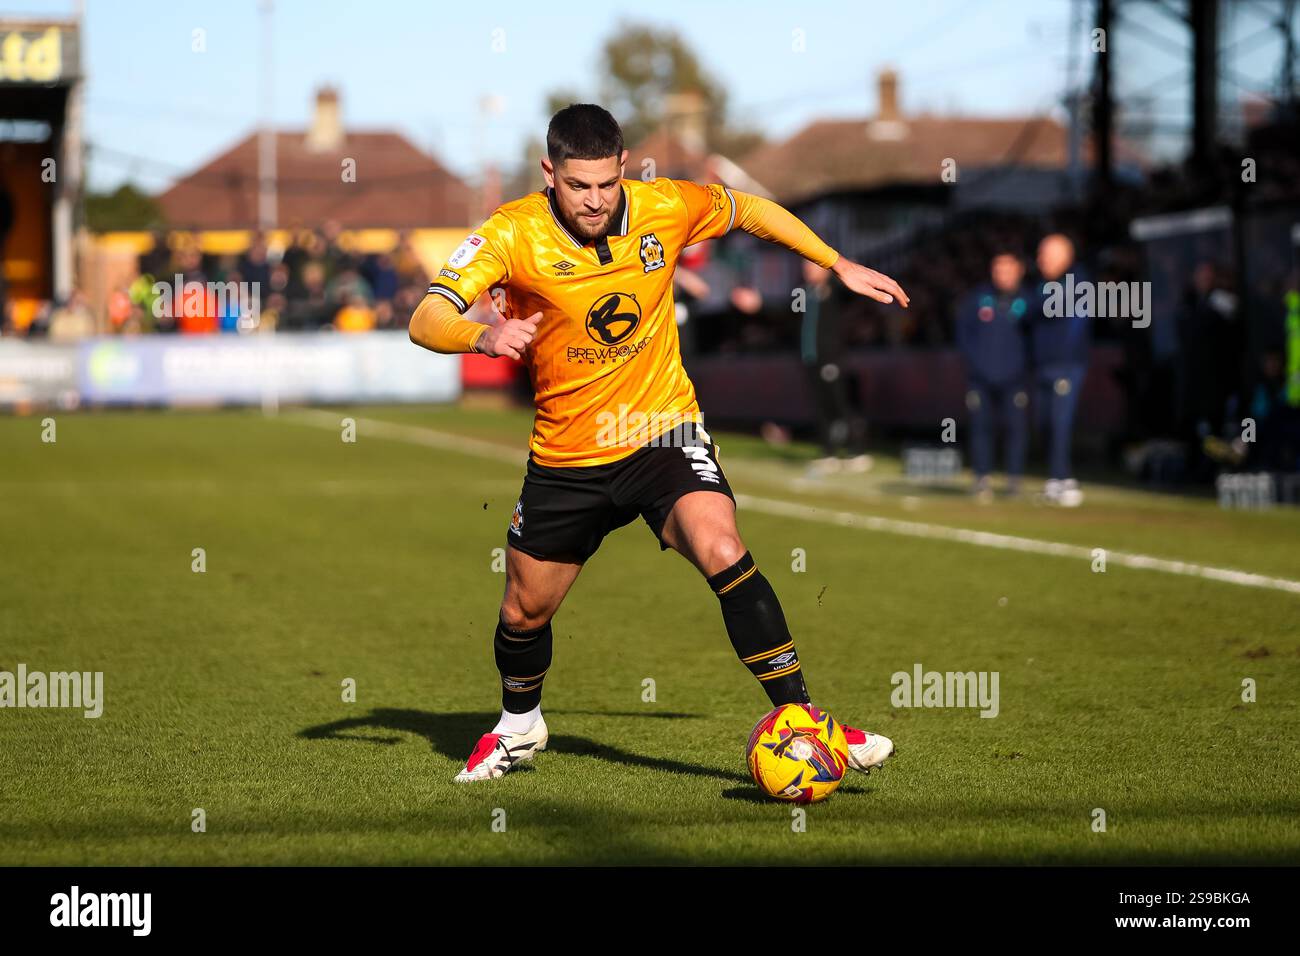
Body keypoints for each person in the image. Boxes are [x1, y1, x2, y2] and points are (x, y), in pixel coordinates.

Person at [409, 104, 909, 783]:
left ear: (623, 171)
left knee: (723, 548)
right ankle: (520, 726)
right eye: (578, 185)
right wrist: (483, 335)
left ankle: (806, 720)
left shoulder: (665, 205)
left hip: (662, 431)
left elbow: (751, 211)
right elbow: (427, 314)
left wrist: (836, 261)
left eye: (606, 184)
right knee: (524, 610)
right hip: (569, 456)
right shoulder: (511, 233)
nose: (594, 200)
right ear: (549, 172)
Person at [956, 250, 1032, 501]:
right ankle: (981, 478)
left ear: (1018, 270)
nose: (1002, 275)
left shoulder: (1029, 301)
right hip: (981, 378)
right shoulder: (978, 298)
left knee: (1015, 429)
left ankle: (1014, 480)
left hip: (1015, 379)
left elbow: (1035, 338)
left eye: (1008, 269)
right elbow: (963, 333)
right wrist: (975, 364)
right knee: (980, 428)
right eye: (998, 269)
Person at [1031, 234, 1088, 507]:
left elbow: (1048, 310)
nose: (1040, 260)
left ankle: (1062, 478)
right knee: (1045, 422)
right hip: (1044, 365)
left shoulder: (1077, 281)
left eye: (1046, 254)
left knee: (1060, 423)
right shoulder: (1043, 284)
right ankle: (1057, 477)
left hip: (1065, 365)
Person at [799, 261, 871, 474]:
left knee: (840, 404)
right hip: (811, 359)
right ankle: (828, 452)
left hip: (831, 359)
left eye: (812, 266)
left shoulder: (835, 292)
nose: (807, 271)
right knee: (822, 407)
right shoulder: (805, 294)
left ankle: (857, 450)